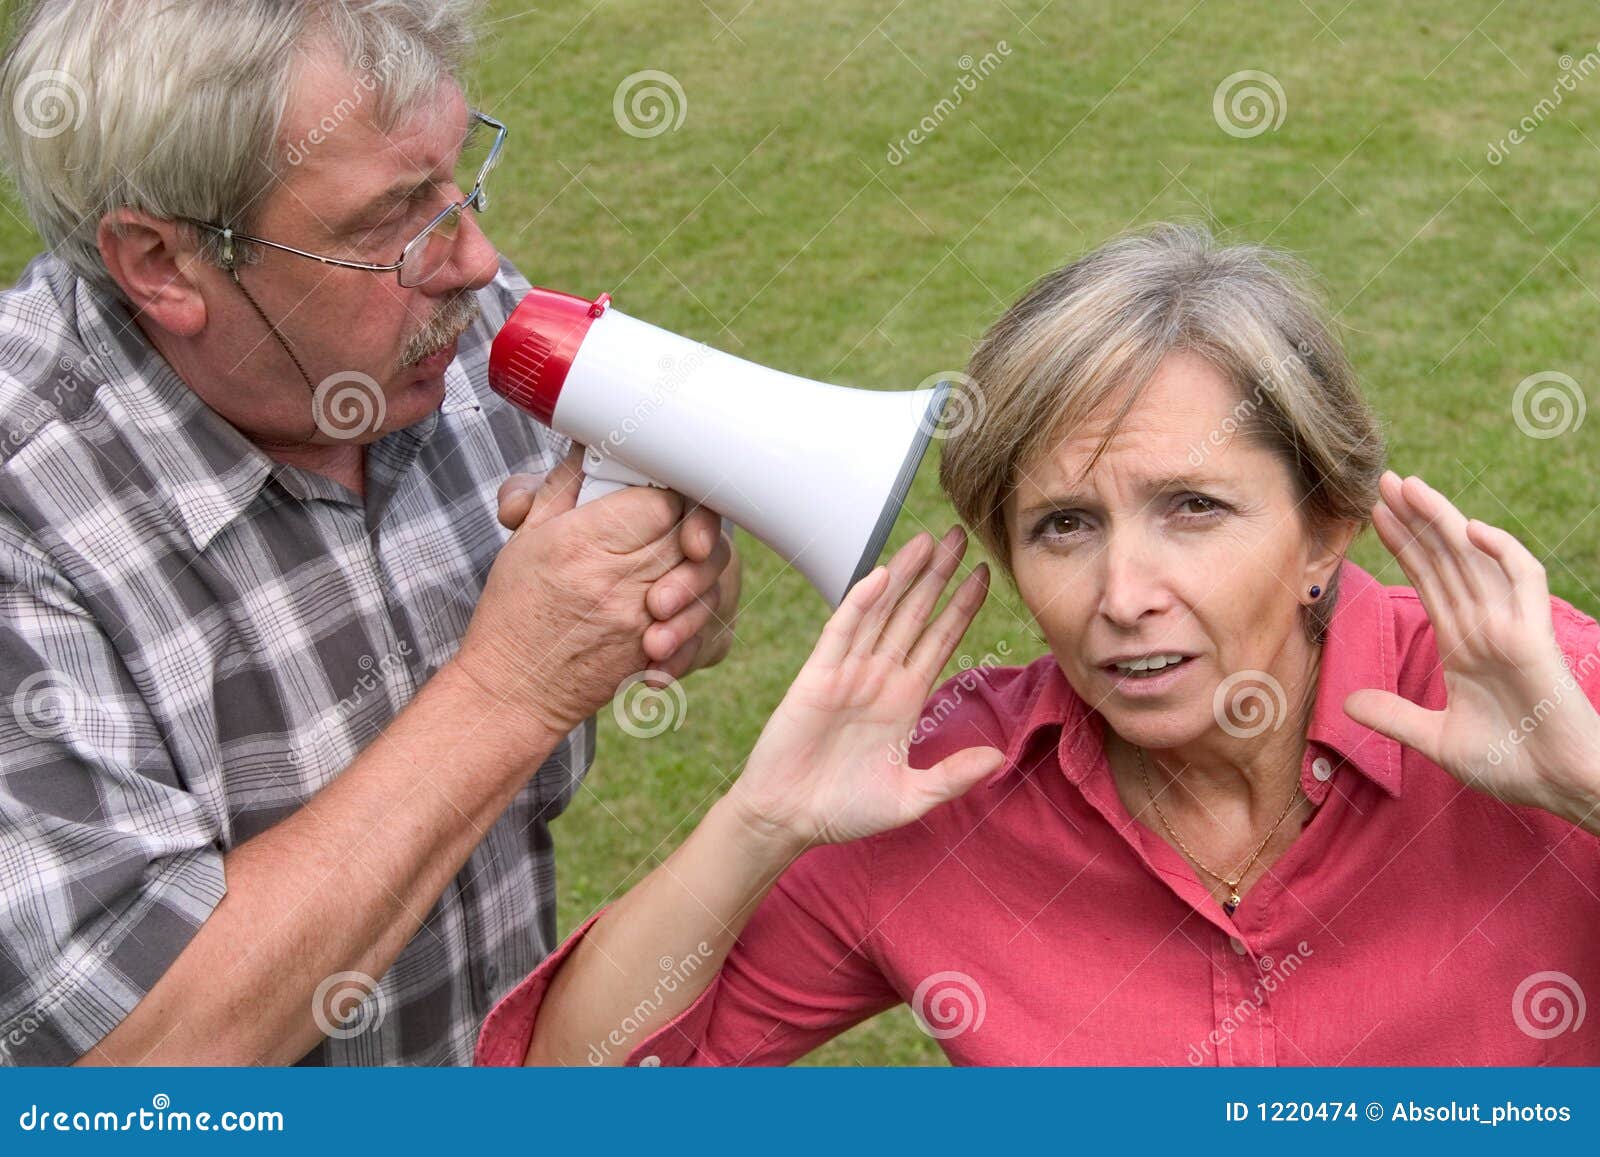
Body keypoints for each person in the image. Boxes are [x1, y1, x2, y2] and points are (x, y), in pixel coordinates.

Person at [476, 224, 1600, 1067]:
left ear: (1324, 526)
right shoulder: (937, 784)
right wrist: (759, 822)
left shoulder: (1529, 689)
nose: (1123, 594)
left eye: (1192, 507)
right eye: (1065, 525)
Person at [0, 0, 738, 1065]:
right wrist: (512, 686)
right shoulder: (27, 511)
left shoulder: (448, 325)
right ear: (161, 262)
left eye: (455, 176)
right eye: (388, 218)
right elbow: (139, 1056)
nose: (478, 261)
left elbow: (680, 608)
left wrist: (676, 598)